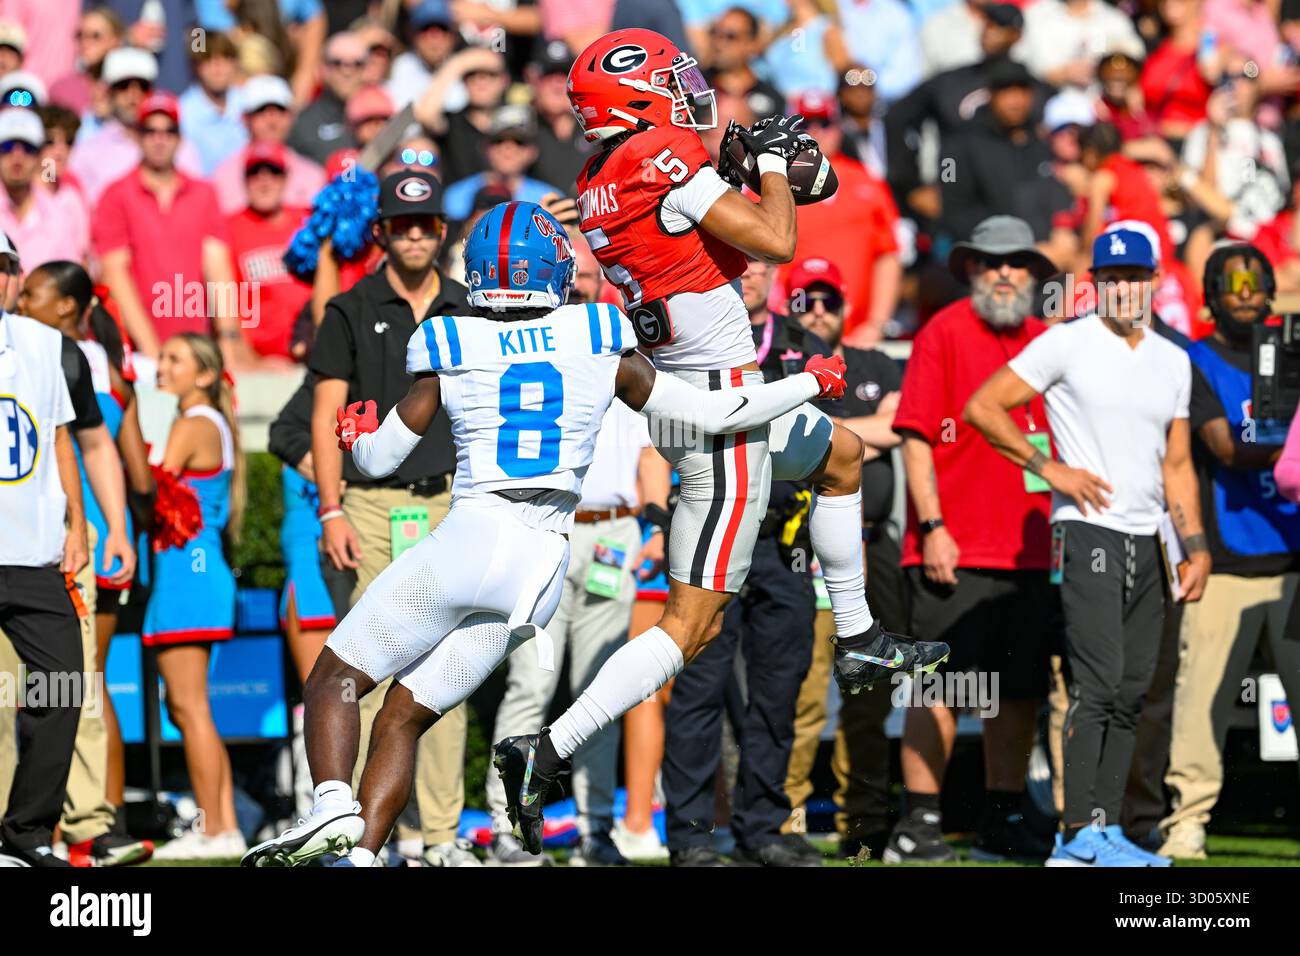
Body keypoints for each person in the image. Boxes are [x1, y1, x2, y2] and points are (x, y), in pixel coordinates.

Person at [241, 199, 849, 867]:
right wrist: (803, 386)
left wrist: (354, 436)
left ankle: (331, 804)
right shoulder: (596, 333)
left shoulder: (451, 337)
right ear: (553, 270)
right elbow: (707, 412)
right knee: (405, 715)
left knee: (336, 679)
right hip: (539, 566)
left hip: (470, 535)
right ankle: (358, 859)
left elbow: (381, 459)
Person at [494, 29, 949, 854]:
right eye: (670, 82)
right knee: (691, 627)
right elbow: (774, 244)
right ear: (636, 100)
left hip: (700, 393)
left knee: (844, 456)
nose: (686, 93)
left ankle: (857, 640)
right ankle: (545, 750)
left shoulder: (598, 170)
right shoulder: (657, 150)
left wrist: (738, 176)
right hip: (723, 411)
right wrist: (770, 169)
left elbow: (693, 246)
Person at [965, 227, 1209, 867]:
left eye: (1134, 276)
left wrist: (1195, 543)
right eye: (1110, 277)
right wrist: (1053, 471)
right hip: (1088, 531)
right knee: (1097, 686)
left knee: (1132, 691)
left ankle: (1107, 831)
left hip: (1150, 537)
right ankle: (1077, 837)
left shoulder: (1173, 360)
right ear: (1093, 283)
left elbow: (1178, 463)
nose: (1123, 288)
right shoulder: (1068, 342)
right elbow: (984, 406)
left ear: (1155, 281)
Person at [305, 169, 476, 867]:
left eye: (426, 223)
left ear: (442, 230)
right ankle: (373, 837)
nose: (414, 234)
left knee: (447, 678)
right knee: (371, 670)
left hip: (452, 503)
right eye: (401, 224)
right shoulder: (350, 308)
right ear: (380, 231)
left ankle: (440, 834)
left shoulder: (469, 304)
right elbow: (323, 417)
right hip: (372, 509)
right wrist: (331, 508)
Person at [483, 239, 668, 867]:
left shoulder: (624, 354)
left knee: (599, 689)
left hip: (615, 531)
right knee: (530, 684)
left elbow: (649, 451)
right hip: (548, 530)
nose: (586, 285)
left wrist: (658, 523)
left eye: (595, 276)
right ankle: (509, 831)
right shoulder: (533, 348)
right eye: (577, 276)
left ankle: (594, 829)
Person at [883, 217, 1059, 862]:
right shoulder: (944, 331)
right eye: (991, 262)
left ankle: (1004, 817)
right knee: (944, 692)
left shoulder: (1049, 341)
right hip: (952, 544)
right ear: (972, 271)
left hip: (1030, 548)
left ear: (1035, 274)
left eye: (1017, 261)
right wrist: (931, 527)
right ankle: (920, 823)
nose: (1005, 272)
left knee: (1014, 694)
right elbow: (916, 436)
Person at [1158, 245, 1300, 859]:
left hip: (1295, 562)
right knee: (1199, 705)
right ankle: (1187, 819)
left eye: (1254, 281)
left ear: (1271, 289)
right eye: (1230, 283)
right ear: (1211, 295)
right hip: (1228, 560)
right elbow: (1227, 447)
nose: (1244, 292)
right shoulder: (1194, 360)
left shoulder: (1291, 354)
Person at [11, 263, 153, 866]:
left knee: (74, 684)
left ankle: (88, 823)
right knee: (8, 696)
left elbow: (87, 440)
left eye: (5, 269)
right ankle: (15, 834)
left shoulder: (59, 353)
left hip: (59, 544)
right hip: (25, 540)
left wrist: (111, 526)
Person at [781, 256, 907, 861]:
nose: (819, 310)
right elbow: (872, 433)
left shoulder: (876, 363)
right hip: (802, 549)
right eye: (807, 299)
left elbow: (901, 426)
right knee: (802, 696)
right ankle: (789, 824)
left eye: (828, 299)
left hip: (872, 547)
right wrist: (863, 436)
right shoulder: (778, 361)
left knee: (868, 695)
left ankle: (866, 829)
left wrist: (828, 435)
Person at [142, 333, 245, 861]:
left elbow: (148, 487)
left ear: (204, 375)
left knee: (188, 705)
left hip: (188, 576)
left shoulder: (194, 423)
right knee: (192, 709)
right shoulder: (213, 422)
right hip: (193, 576)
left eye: (174, 358)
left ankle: (213, 829)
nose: (162, 365)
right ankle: (223, 824)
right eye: (163, 355)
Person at [0, 303, 88, 867]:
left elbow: (59, 437)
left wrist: (77, 522)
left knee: (62, 684)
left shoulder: (41, 342)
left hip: (31, 553)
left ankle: (26, 834)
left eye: (3, 266)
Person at [93, 90, 252, 366]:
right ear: (138, 136)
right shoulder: (116, 195)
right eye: (150, 131)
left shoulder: (204, 193)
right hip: (138, 354)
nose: (159, 139)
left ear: (179, 138)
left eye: (169, 131)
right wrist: (155, 354)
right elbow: (114, 274)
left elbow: (217, 271)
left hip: (194, 350)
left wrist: (227, 344)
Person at [225, 142, 312, 361]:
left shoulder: (308, 221)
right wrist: (253, 363)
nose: (264, 181)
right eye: (255, 173)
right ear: (244, 180)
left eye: (273, 172)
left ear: (285, 178)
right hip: (262, 362)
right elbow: (227, 307)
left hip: (315, 355)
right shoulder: (229, 229)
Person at [212, 74, 326, 217]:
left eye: (280, 111)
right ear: (245, 118)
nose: (272, 122)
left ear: (291, 117)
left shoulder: (313, 176)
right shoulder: (223, 177)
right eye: (261, 111)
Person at [0, 106, 91, 264]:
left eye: (69, 142)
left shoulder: (68, 201)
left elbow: (79, 262)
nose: (60, 151)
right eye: (50, 141)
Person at [287, 31, 365, 165]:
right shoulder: (303, 123)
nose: (347, 71)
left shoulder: (383, 114)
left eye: (357, 64)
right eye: (337, 63)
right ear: (322, 68)